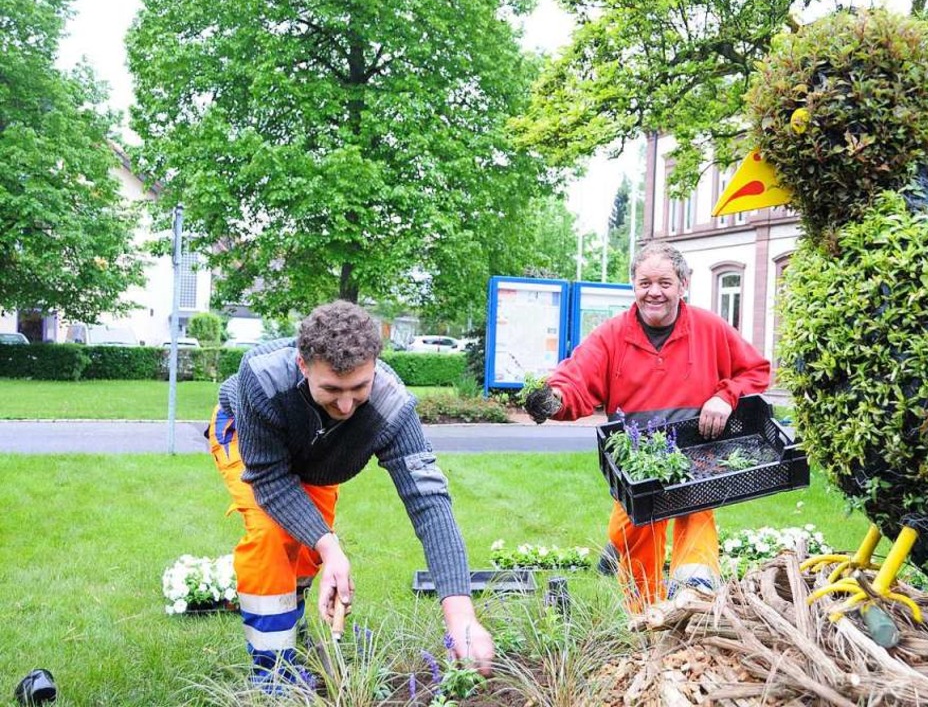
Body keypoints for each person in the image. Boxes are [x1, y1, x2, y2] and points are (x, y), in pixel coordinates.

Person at [208, 300, 493, 690]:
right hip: (251, 441)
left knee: (306, 548)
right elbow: (270, 480)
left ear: (375, 365)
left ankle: (293, 627)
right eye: (332, 389)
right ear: (302, 365)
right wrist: (331, 545)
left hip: (322, 457)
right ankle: (273, 677)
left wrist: (461, 616)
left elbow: (429, 502)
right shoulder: (262, 377)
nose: (345, 405)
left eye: (359, 387)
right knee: (273, 535)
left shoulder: (392, 407)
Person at [525, 241, 770, 612]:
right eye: (645, 283)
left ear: (683, 284)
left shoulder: (709, 329)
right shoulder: (611, 336)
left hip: (699, 455)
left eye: (665, 283)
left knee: (696, 516)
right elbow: (576, 378)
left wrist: (725, 395)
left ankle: (695, 601)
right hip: (637, 462)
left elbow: (755, 370)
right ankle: (645, 618)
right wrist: (555, 399)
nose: (654, 292)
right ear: (633, 285)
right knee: (635, 530)